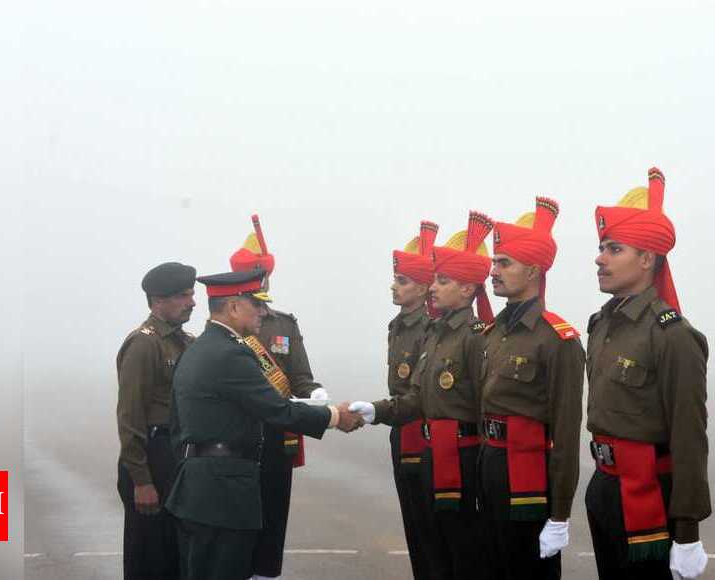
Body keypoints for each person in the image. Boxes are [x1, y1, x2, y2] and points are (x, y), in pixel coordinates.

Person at [165, 268, 363, 580]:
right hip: (224, 493)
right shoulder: (230, 354)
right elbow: (276, 411)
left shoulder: (199, 349)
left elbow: (175, 424)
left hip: (199, 487)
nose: (263, 311)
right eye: (255, 304)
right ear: (232, 307)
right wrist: (335, 416)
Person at [351, 210, 496, 579]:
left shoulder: (475, 334)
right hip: (434, 449)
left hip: (463, 456)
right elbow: (416, 395)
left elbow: (485, 404)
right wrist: (374, 410)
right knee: (433, 542)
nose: (433, 287)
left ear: (467, 289)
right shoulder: (439, 333)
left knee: (463, 548)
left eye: (441, 280)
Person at [585, 168, 710, 579]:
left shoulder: (672, 335)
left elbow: (689, 437)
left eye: (614, 249)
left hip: (650, 498)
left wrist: (687, 531)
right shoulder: (602, 325)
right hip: (605, 486)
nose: (600, 258)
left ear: (646, 258)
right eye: (602, 247)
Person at [479, 197, 585, 580]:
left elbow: (566, 431)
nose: (493, 271)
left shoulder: (558, 339)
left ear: (534, 270)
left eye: (504, 263)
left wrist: (559, 514)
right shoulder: (493, 334)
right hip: (490, 467)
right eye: (494, 262)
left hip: (529, 479)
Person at [228, 216, 331, 580]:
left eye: (264, 276)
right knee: (237, 519)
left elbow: (300, 377)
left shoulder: (284, 324)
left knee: (273, 514)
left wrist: (314, 393)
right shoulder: (226, 327)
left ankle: (266, 573)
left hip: (277, 435)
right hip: (238, 437)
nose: (262, 283)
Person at [116, 261, 197, 580]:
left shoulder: (186, 341)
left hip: (177, 455)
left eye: (191, 294)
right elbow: (130, 415)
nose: (192, 301)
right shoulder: (143, 343)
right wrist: (141, 480)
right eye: (183, 295)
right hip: (152, 457)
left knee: (177, 555)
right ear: (158, 300)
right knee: (149, 556)